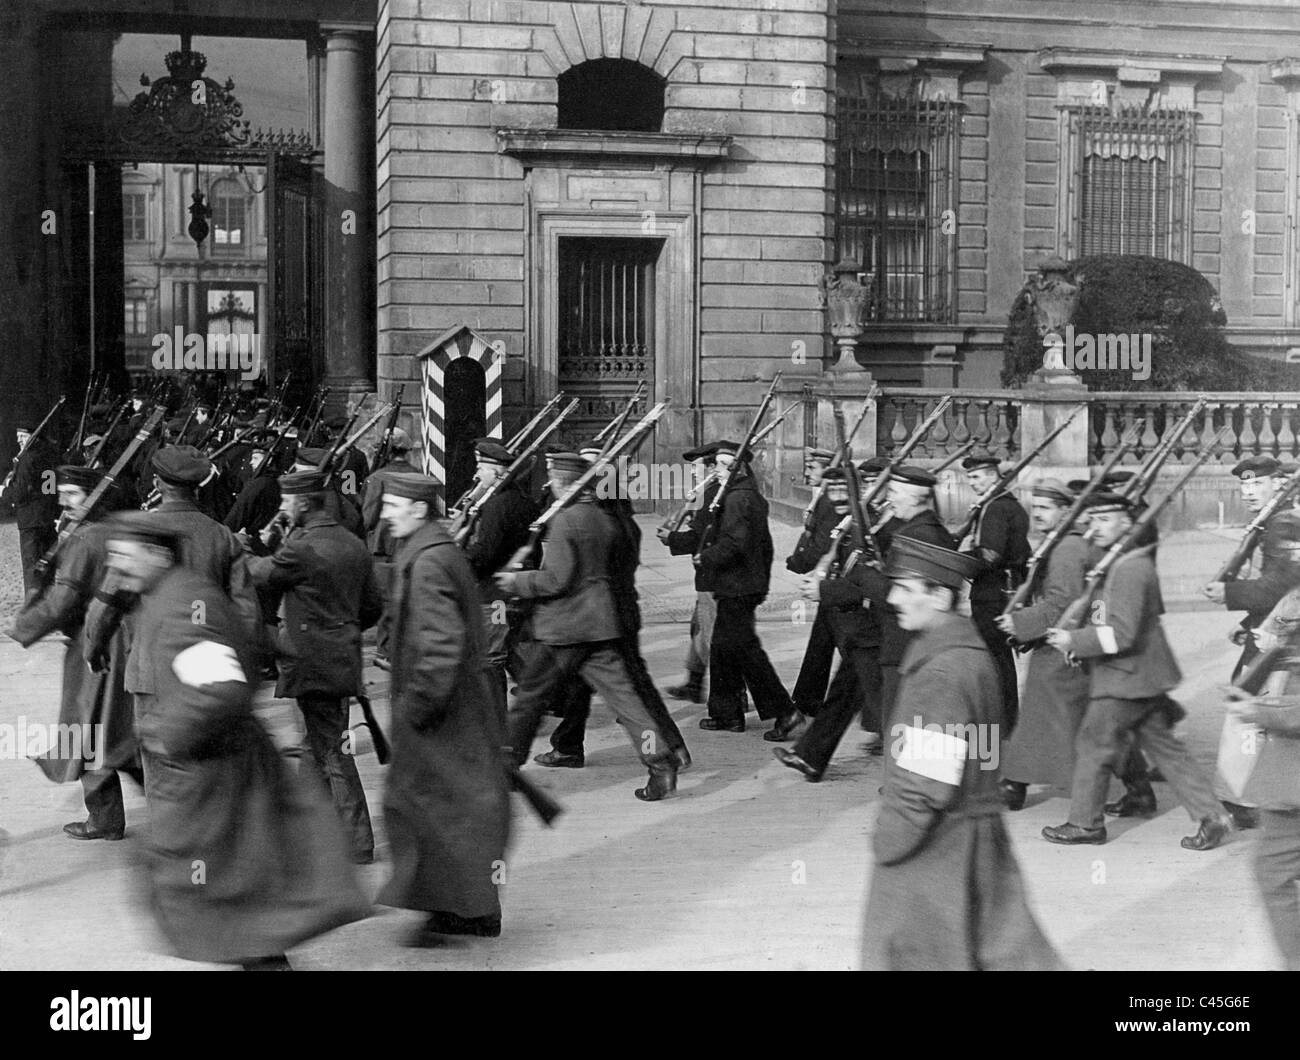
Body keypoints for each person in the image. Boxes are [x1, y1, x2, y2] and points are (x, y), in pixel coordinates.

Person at [99, 512, 369, 969]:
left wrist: (166, 737)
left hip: (212, 777)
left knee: (230, 887)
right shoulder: (163, 596)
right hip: (205, 773)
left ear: (158, 554)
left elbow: (220, 690)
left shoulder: (184, 603)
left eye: (125, 554)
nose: (117, 564)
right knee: (229, 889)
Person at [861, 537, 1062, 971]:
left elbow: (925, 783)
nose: (893, 597)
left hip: (936, 848)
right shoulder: (970, 657)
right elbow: (987, 754)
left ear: (940, 595)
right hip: (977, 835)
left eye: (906, 587)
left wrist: (890, 840)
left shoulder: (942, 672)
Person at [1041, 492, 1233, 850]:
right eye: (1092, 519)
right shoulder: (1125, 560)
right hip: (1142, 676)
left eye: (1104, 520)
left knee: (1093, 746)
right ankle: (1213, 816)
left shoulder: (1129, 568)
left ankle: (1085, 824)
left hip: (1123, 678)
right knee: (1166, 750)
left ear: (1126, 522)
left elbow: (1122, 633)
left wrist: (1074, 641)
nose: (1093, 528)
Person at [376, 472, 512, 941]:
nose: (385, 513)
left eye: (394, 505)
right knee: (457, 808)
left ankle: (462, 907)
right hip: (454, 705)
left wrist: (418, 706)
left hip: (441, 710)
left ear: (418, 509)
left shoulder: (429, 561)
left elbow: (440, 642)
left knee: (438, 808)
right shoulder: (434, 550)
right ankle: (464, 906)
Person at [497, 453, 680, 800]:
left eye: (552, 477)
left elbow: (557, 579)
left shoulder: (567, 520)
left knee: (530, 698)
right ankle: (659, 760)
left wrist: (517, 582)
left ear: (564, 481)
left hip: (566, 627)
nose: (549, 483)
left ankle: (506, 763)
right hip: (601, 624)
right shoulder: (601, 516)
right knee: (626, 702)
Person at [776, 463, 954, 782]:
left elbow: (891, 590)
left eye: (896, 492)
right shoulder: (903, 526)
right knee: (849, 690)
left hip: (897, 638)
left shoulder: (921, 535)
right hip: (879, 630)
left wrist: (850, 577)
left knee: (896, 712)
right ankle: (811, 756)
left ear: (915, 497)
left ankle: (922, 784)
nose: (890, 497)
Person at [245, 469, 383, 864]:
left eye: (287, 500)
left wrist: (243, 547)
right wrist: (340, 630)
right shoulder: (352, 543)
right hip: (340, 658)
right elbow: (371, 607)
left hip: (310, 662)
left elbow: (260, 574)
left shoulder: (303, 548)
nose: (282, 506)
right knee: (316, 745)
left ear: (304, 502)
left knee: (331, 751)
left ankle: (357, 841)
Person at [6, 465, 139, 840]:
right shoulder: (119, 528)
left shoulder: (85, 539)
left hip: (94, 644)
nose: (63, 500)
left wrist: (21, 627)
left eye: (73, 494)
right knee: (119, 729)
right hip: (129, 641)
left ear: (94, 497)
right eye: (61, 492)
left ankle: (106, 819)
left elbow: (63, 600)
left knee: (87, 730)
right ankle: (153, 811)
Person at [1202, 455, 1300, 831]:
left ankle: (1235, 804)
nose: (1247, 491)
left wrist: (1230, 592)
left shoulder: (1283, 525)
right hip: (1270, 632)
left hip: (1279, 641)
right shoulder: (1275, 522)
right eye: (1244, 485)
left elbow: (1282, 584)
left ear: (1278, 484)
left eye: (1256, 484)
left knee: (1248, 714)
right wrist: (1248, 620)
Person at [995, 478, 1092, 810]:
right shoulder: (1061, 542)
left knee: (1046, 717)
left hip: (1062, 644)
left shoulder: (1066, 549)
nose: (1037, 514)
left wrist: (1020, 622)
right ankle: (1015, 782)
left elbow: (1062, 602)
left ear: (1066, 511)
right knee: (1056, 719)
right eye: (1034, 507)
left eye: (1045, 508)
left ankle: (1014, 784)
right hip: (1060, 643)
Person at [688, 441, 797, 733]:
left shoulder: (740, 499)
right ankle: (728, 714)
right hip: (734, 583)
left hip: (741, 584)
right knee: (724, 649)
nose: (718, 471)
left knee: (745, 650)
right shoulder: (732, 495)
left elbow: (736, 542)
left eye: (726, 465)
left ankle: (785, 711)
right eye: (717, 464)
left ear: (741, 469)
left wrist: (705, 557)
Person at [457, 437, 538, 718]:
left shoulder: (498, 505)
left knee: (491, 659)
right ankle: (542, 700)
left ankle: (497, 725)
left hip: (495, 594)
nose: (477, 474)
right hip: (518, 588)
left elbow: (486, 553)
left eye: (481, 468)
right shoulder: (523, 500)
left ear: (497, 472)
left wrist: (461, 567)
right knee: (513, 651)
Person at [777, 446, 849, 735]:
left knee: (853, 650)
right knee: (823, 640)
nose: (807, 472)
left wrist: (799, 562)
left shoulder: (833, 502)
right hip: (829, 583)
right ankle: (807, 697)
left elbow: (824, 545)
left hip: (835, 581)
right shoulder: (823, 498)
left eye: (812, 468)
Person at [958, 452, 1030, 733]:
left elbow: (990, 554)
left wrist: (959, 561)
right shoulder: (1004, 504)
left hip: (993, 592)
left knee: (995, 660)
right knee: (999, 660)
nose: (972, 483)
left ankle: (1001, 725)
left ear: (992, 475)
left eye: (976, 477)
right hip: (1002, 590)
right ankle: (1005, 722)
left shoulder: (997, 507)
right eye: (970, 478)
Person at [659, 443, 722, 704]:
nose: (693, 472)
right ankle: (694, 683)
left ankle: (732, 693)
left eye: (696, 467)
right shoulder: (705, 492)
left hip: (713, 576)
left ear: (710, 467)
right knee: (699, 627)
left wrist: (672, 539)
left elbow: (700, 536)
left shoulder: (714, 495)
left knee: (711, 635)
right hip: (706, 574)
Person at [3, 421, 60, 597]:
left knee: (32, 569)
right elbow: (49, 489)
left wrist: (4, 491)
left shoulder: (26, 459)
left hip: (30, 521)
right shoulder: (48, 456)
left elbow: (20, 493)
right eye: (18, 436)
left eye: (23, 436)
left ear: (33, 437)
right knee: (48, 565)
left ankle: (33, 605)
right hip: (47, 518)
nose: (19, 440)